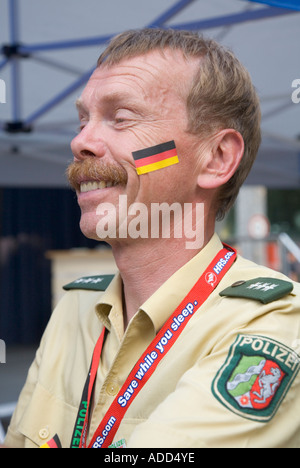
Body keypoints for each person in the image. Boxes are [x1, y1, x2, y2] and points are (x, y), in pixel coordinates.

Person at [4, 28, 300, 449]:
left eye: (121, 117)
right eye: (83, 119)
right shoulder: (75, 308)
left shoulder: (274, 328)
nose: (79, 141)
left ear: (216, 159)